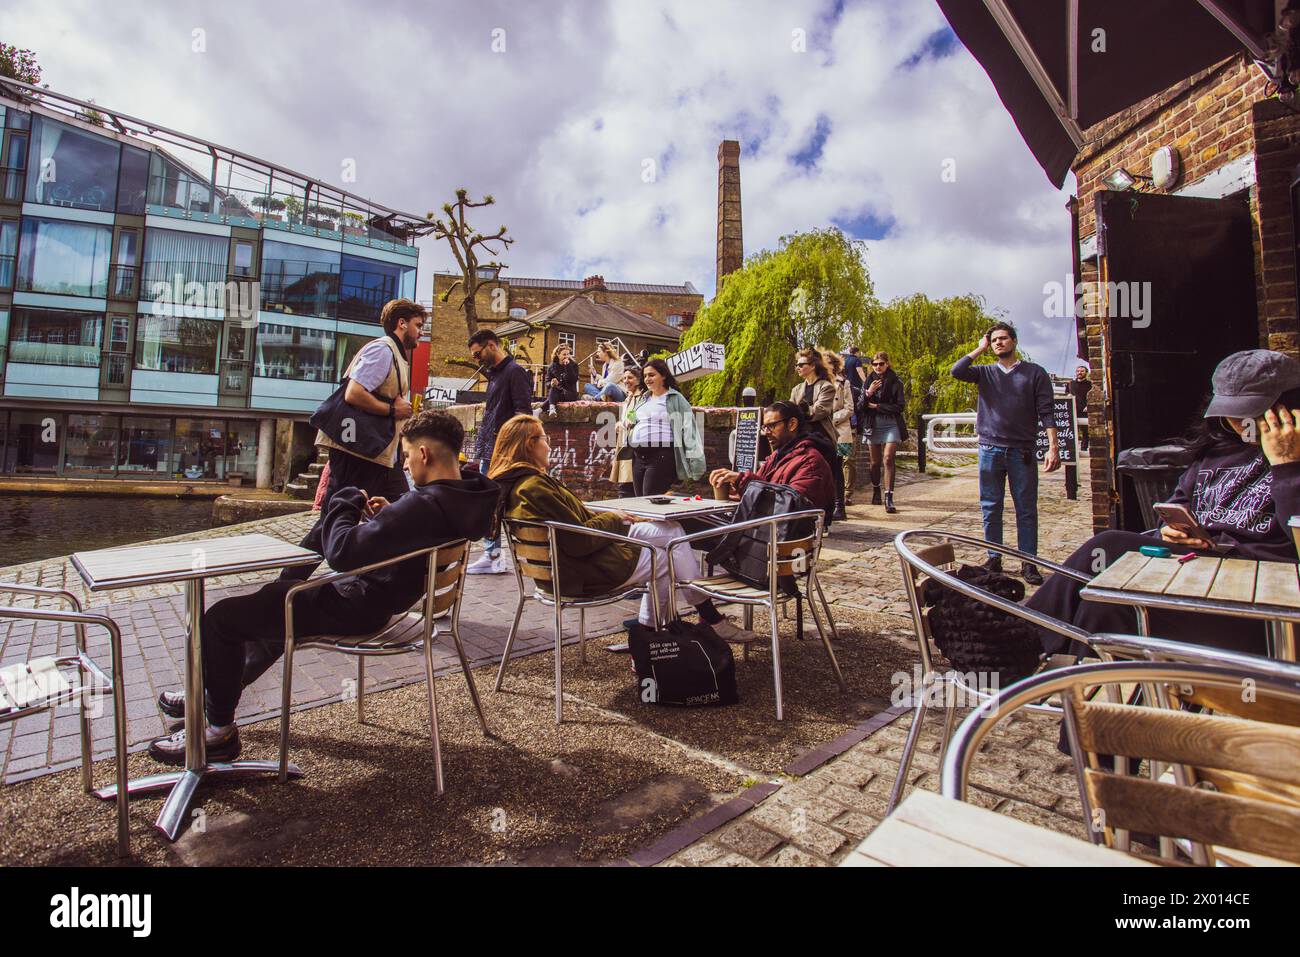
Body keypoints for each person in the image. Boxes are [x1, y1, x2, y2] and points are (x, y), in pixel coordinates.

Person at [147, 410, 501, 763]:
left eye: (406, 456)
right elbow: (414, 530)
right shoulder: (465, 497)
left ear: (424, 454)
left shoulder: (423, 504)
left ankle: (217, 732)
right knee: (273, 609)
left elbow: (342, 555)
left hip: (359, 607)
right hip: (380, 600)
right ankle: (212, 692)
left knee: (222, 619)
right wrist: (390, 518)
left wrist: (344, 502)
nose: (405, 467)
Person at [1026, 350, 1300, 659]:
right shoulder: (1215, 454)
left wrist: (1287, 466)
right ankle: (1020, 640)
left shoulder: (1290, 461)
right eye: (1231, 411)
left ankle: (1037, 659)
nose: (1238, 422)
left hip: (1258, 602)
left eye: (1251, 411)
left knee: (1104, 604)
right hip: (1201, 571)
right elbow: (1176, 507)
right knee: (1108, 547)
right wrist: (1171, 531)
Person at [489, 415, 756, 641]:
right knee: (665, 556)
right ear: (529, 445)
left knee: (671, 530)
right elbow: (580, 540)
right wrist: (616, 518)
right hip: (583, 570)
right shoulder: (534, 487)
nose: (550, 444)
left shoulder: (520, 485)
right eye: (545, 438)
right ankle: (660, 634)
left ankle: (679, 626)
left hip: (567, 565)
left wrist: (620, 517)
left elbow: (572, 521)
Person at [284, 298, 422, 581]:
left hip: (380, 453)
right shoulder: (382, 350)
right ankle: (286, 584)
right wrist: (393, 409)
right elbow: (354, 393)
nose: (420, 332)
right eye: (418, 325)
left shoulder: (397, 354)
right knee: (331, 521)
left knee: (404, 513)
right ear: (402, 323)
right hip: (358, 453)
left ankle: (400, 579)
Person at [951, 321, 1058, 585]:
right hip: (990, 449)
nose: (999, 342)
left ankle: (1028, 561)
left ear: (1014, 341)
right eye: (994, 340)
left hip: (1021, 450)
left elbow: (1046, 411)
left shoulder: (1035, 373)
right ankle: (994, 556)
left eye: (1003, 338)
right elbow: (957, 370)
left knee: (1026, 509)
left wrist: (1053, 447)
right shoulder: (985, 372)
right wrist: (979, 348)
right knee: (991, 506)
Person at [466, 328, 534, 574]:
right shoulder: (494, 374)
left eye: (478, 353)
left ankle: (494, 556)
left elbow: (523, 413)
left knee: (495, 503)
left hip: (502, 451)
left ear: (492, 345)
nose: (476, 359)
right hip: (489, 449)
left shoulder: (515, 372)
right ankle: (493, 554)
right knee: (491, 503)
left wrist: (510, 448)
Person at [708, 401, 834, 513]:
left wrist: (741, 480)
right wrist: (736, 490)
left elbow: (789, 506)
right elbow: (763, 489)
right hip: (767, 529)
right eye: (764, 427)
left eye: (771, 426)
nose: (766, 432)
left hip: (785, 536)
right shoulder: (776, 456)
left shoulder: (810, 461)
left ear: (792, 424)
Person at [628, 358, 706, 496]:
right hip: (638, 457)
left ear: (663, 375)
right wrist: (624, 423)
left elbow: (690, 430)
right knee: (638, 501)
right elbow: (632, 417)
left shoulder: (675, 398)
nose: (647, 379)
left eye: (651, 375)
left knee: (650, 498)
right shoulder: (643, 398)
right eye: (645, 376)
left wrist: (696, 463)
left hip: (661, 455)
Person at [790, 347, 841, 528]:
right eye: (797, 364)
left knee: (823, 480)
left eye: (801, 364)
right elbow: (792, 415)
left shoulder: (826, 387)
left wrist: (801, 410)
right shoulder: (797, 389)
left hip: (821, 439)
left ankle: (824, 520)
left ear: (812, 366)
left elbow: (819, 411)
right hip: (802, 439)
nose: (797, 367)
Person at [860, 351, 906, 514]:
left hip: (891, 423)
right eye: (875, 364)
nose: (878, 367)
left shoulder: (896, 382)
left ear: (887, 364)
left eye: (881, 364)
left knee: (888, 459)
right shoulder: (868, 381)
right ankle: (876, 490)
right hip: (872, 424)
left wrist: (878, 406)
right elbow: (860, 406)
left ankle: (889, 498)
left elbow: (900, 406)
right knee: (875, 462)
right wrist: (869, 393)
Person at [824, 350, 856, 517]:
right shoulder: (818, 383)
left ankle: (840, 506)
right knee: (825, 468)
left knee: (837, 467)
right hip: (822, 431)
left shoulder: (844, 383)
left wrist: (831, 418)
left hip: (839, 431)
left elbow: (850, 408)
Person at [609, 365, 647, 496]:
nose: (626, 381)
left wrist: (622, 423)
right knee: (625, 485)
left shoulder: (641, 397)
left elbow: (635, 417)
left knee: (628, 486)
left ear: (638, 380)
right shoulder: (629, 397)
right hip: (625, 442)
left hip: (634, 445)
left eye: (630, 378)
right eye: (624, 378)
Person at [540, 343, 580, 415]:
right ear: (558, 355)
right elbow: (547, 381)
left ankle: (540, 410)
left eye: (568, 354)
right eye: (564, 354)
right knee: (554, 388)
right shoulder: (552, 366)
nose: (567, 356)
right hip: (557, 392)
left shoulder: (573, 365)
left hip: (570, 393)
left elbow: (573, 380)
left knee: (554, 392)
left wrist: (568, 366)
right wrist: (551, 383)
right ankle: (552, 409)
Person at [1068, 364, 1092, 452]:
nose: (1079, 373)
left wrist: (1088, 406)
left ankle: (1084, 448)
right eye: (1078, 371)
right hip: (1073, 409)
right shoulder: (1071, 384)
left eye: (1082, 371)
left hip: (1084, 409)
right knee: (1072, 430)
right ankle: (1072, 449)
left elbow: (1092, 397)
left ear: (1086, 373)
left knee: (1085, 430)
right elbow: (1067, 394)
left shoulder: (1090, 384)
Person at [842, 345, 867, 429]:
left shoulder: (846, 361)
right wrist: (866, 381)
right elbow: (859, 371)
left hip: (847, 386)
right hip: (856, 387)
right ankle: (858, 427)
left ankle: (851, 425)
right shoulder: (857, 360)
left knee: (849, 405)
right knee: (858, 407)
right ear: (857, 352)